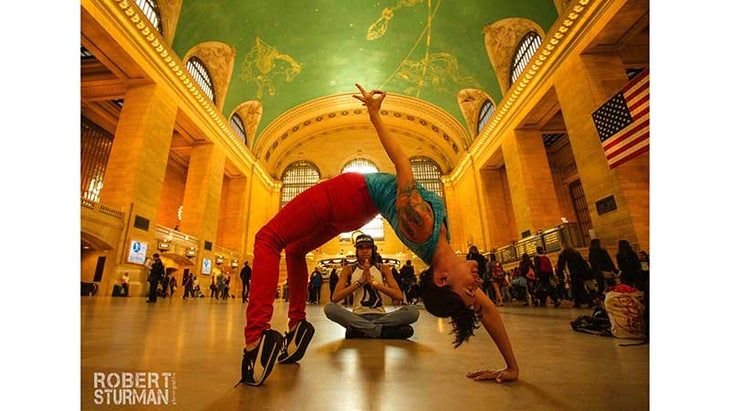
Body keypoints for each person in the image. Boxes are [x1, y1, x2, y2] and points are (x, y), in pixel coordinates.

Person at [239, 84, 518, 387]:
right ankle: (297, 327)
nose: (478, 284)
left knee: (267, 239)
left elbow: (402, 163)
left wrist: (374, 115)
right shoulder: (441, 250)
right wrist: (511, 367)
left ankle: (255, 341)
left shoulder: (421, 223)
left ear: (442, 279)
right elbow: (487, 310)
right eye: (474, 290)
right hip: (357, 211)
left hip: (349, 194)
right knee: (294, 251)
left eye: (469, 289)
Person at [324, 234, 419, 339]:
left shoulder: (383, 268)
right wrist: (359, 282)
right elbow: (335, 298)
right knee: (329, 308)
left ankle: (362, 330)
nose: (365, 251)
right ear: (357, 251)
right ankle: (380, 331)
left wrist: (374, 284)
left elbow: (399, 296)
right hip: (357, 316)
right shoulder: (348, 269)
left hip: (381, 316)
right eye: (361, 248)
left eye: (368, 247)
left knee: (413, 311)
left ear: (373, 250)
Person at [556, 242, 592, 308]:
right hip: (579, 272)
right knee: (577, 287)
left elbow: (561, 265)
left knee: (578, 288)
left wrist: (559, 274)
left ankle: (588, 301)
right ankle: (578, 301)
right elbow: (582, 262)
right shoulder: (575, 252)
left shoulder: (563, 253)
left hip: (572, 273)